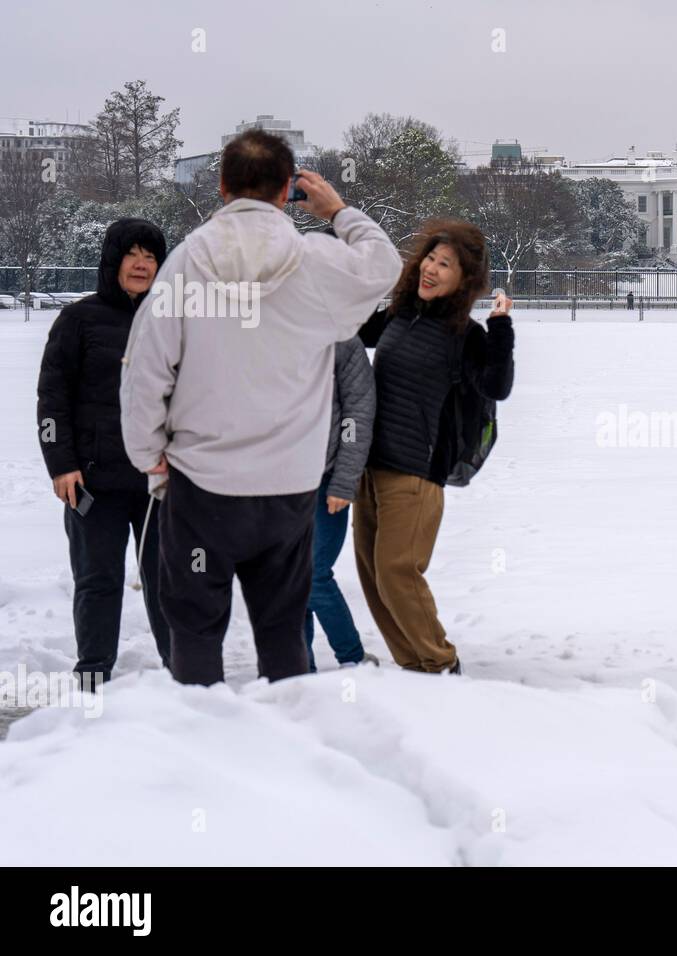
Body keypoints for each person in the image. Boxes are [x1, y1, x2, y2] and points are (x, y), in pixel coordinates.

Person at [119, 129, 402, 686]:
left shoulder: (185, 262)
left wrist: (147, 454)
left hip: (201, 484)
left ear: (222, 186)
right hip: (289, 485)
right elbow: (383, 265)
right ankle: (290, 730)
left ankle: (199, 725)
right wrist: (338, 211)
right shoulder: (315, 262)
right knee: (282, 629)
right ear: (286, 191)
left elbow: (145, 369)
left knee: (195, 630)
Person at [353, 219, 515, 675]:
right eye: (430, 258)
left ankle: (441, 662)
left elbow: (497, 385)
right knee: (373, 577)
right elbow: (350, 330)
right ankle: (414, 668)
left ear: (464, 280)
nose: (431, 268)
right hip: (371, 467)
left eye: (446, 265)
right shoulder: (400, 315)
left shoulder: (465, 335)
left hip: (416, 474)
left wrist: (501, 327)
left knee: (397, 571)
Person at [36, 219, 171, 684]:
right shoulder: (78, 320)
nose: (141, 264)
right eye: (132, 254)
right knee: (98, 581)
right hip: (95, 482)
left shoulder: (172, 320)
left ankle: (184, 675)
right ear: (113, 261)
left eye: (150, 256)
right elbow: (52, 399)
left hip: (160, 483)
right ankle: (93, 676)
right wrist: (61, 465)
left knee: (169, 581)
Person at [304, 334, 379, 671]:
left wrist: (344, 480)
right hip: (275, 483)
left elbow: (356, 415)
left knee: (313, 574)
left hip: (326, 480)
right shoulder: (266, 330)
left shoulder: (341, 338)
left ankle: (351, 656)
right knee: (288, 576)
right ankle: (297, 664)